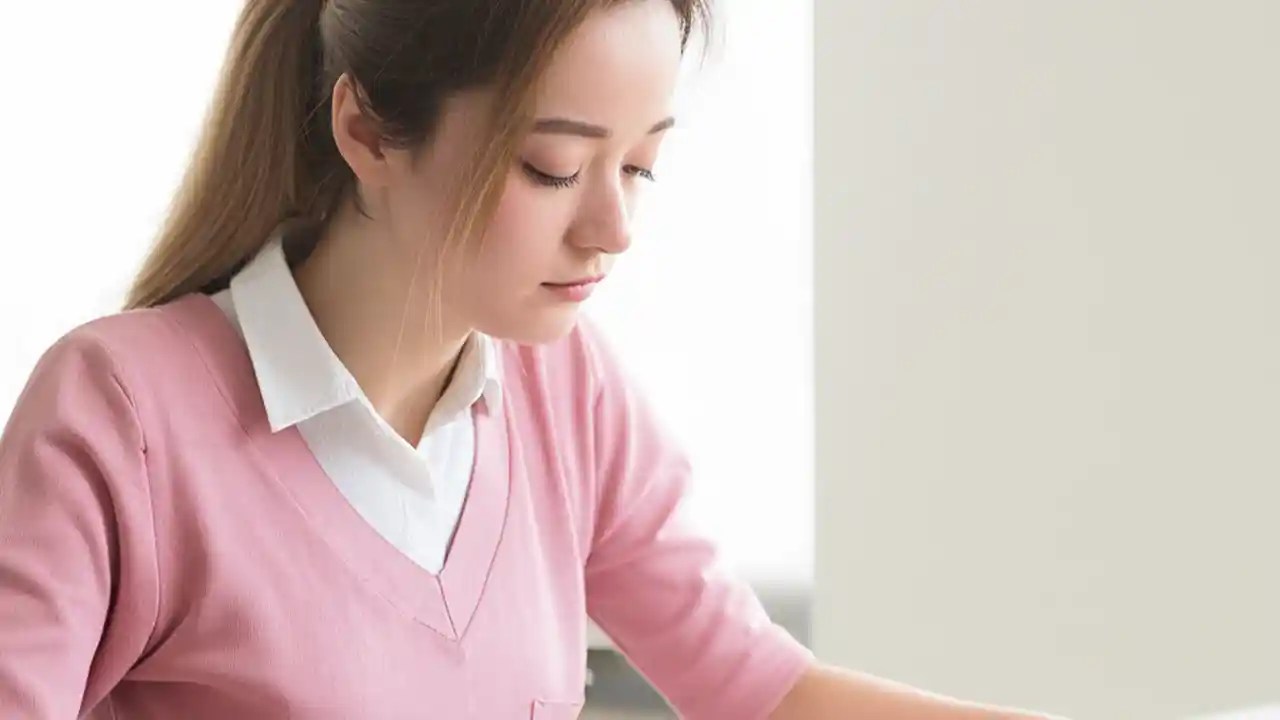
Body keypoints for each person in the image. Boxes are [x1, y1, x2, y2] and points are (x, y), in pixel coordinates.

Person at [0, 1, 1066, 718]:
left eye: (640, 166)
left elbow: (759, 691)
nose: (611, 228)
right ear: (367, 130)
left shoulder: (566, 392)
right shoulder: (124, 416)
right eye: (553, 168)